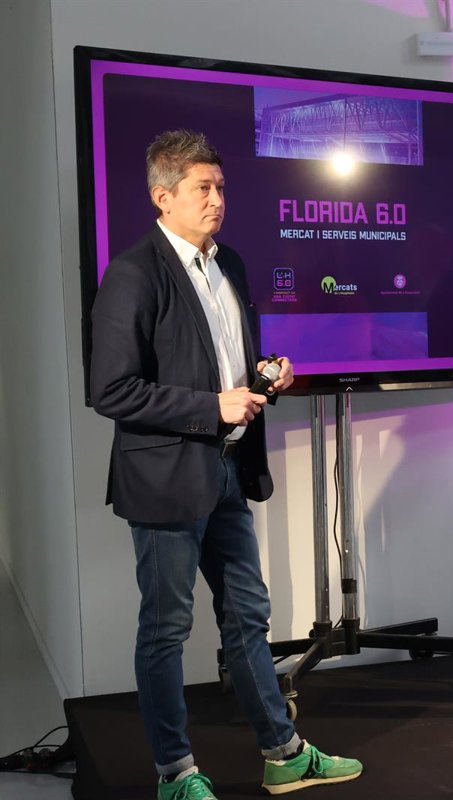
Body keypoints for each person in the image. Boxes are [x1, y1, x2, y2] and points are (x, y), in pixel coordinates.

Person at [90, 130, 364, 798]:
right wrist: (213, 405)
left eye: (220, 187)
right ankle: (175, 773)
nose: (217, 200)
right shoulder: (132, 273)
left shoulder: (231, 265)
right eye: (202, 189)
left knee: (248, 617)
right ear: (164, 197)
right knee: (166, 629)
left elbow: (226, 365)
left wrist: (264, 376)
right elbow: (110, 390)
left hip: (227, 473)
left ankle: (284, 753)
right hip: (163, 479)